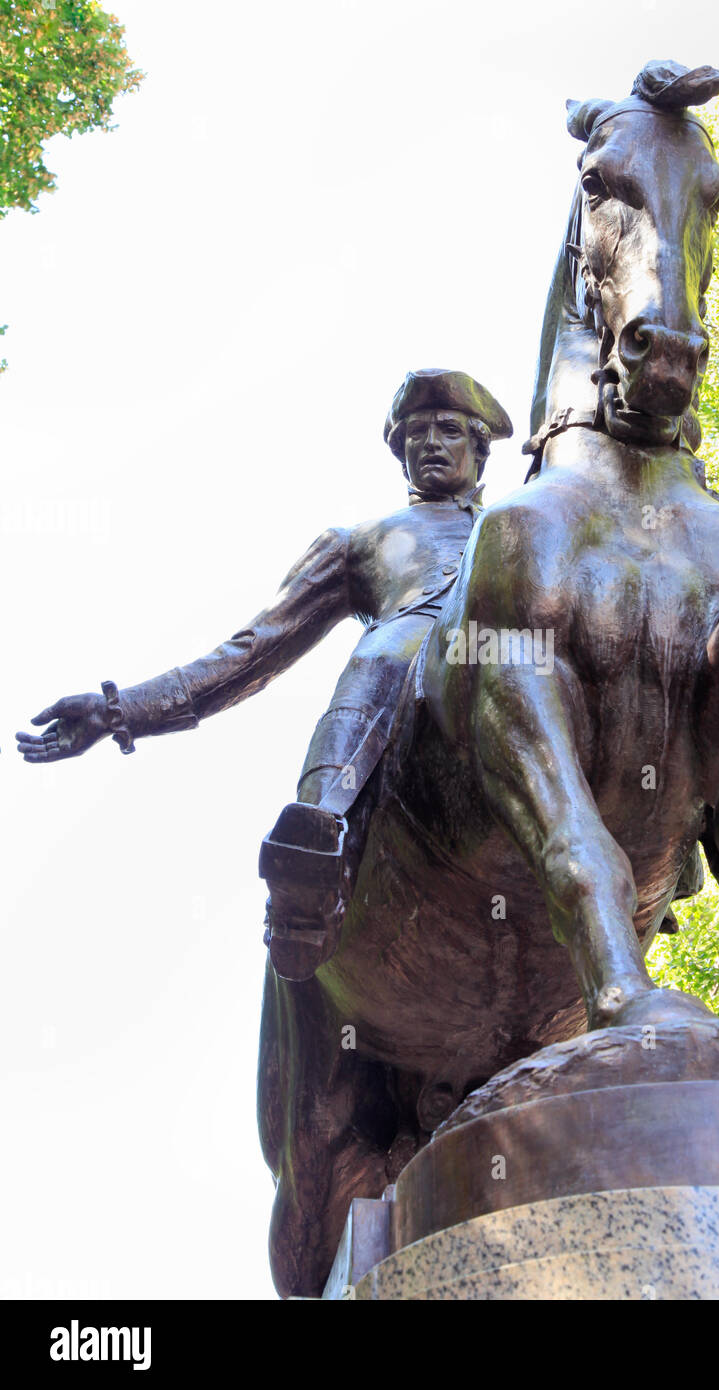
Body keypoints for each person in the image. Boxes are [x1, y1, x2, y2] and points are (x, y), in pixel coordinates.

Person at [16, 368, 513, 979]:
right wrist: (122, 710)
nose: (431, 442)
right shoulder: (354, 543)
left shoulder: (528, 525)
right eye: (415, 432)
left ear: (480, 448)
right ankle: (317, 846)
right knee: (384, 653)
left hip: (509, 656)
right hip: (399, 665)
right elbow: (255, 648)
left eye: (449, 430)